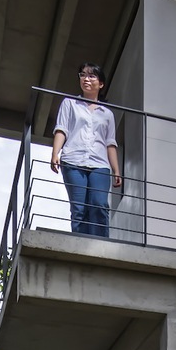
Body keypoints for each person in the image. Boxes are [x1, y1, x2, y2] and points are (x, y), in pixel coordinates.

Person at [50, 63, 122, 238]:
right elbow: (62, 129)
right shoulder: (69, 103)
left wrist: (116, 170)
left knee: (99, 204)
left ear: (101, 83)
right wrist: (55, 153)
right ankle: (80, 243)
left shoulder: (107, 114)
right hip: (73, 160)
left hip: (100, 164)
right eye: (82, 75)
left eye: (91, 76)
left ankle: (100, 244)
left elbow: (110, 143)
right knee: (79, 207)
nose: (86, 79)